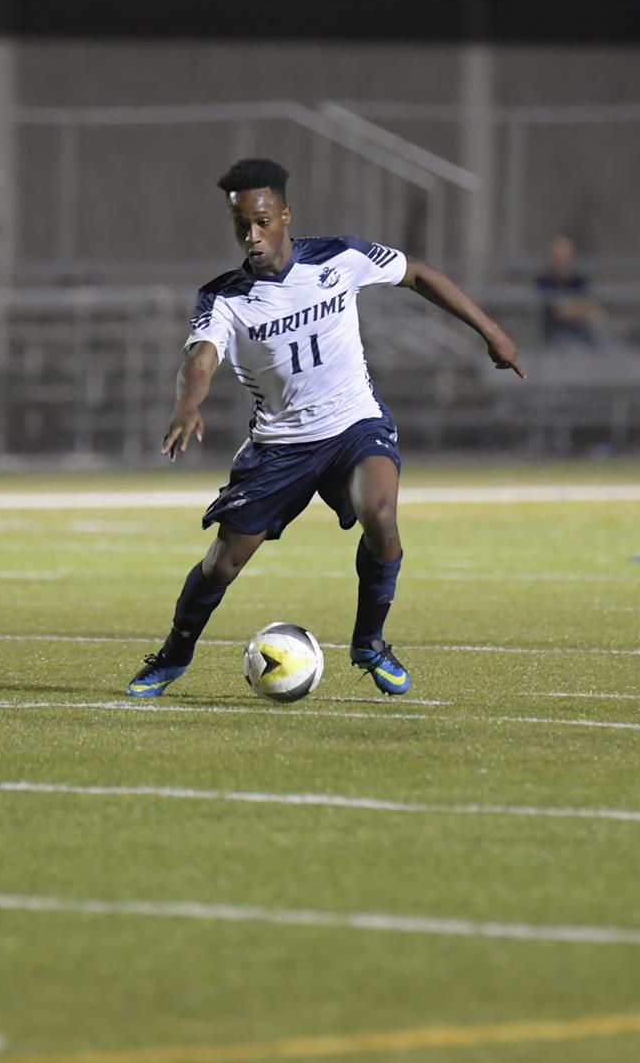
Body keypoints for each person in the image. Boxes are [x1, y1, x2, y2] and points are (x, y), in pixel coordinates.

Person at [126, 158, 522, 700]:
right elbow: (200, 358)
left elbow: (420, 274)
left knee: (380, 516)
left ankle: (370, 643)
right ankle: (173, 654)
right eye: (241, 224)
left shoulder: (342, 256)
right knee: (223, 563)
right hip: (280, 446)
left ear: (286, 215)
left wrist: (492, 332)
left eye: (262, 221)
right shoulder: (224, 297)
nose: (252, 234)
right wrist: (187, 405)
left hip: (353, 424)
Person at [535, 234, 600, 348]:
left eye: (566, 258)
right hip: (555, 337)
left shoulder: (579, 280)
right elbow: (559, 311)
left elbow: (593, 307)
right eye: (559, 258)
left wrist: (570, 308)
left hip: (583, 333)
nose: (563, 262)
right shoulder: (544, 280)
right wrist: (579, 308)